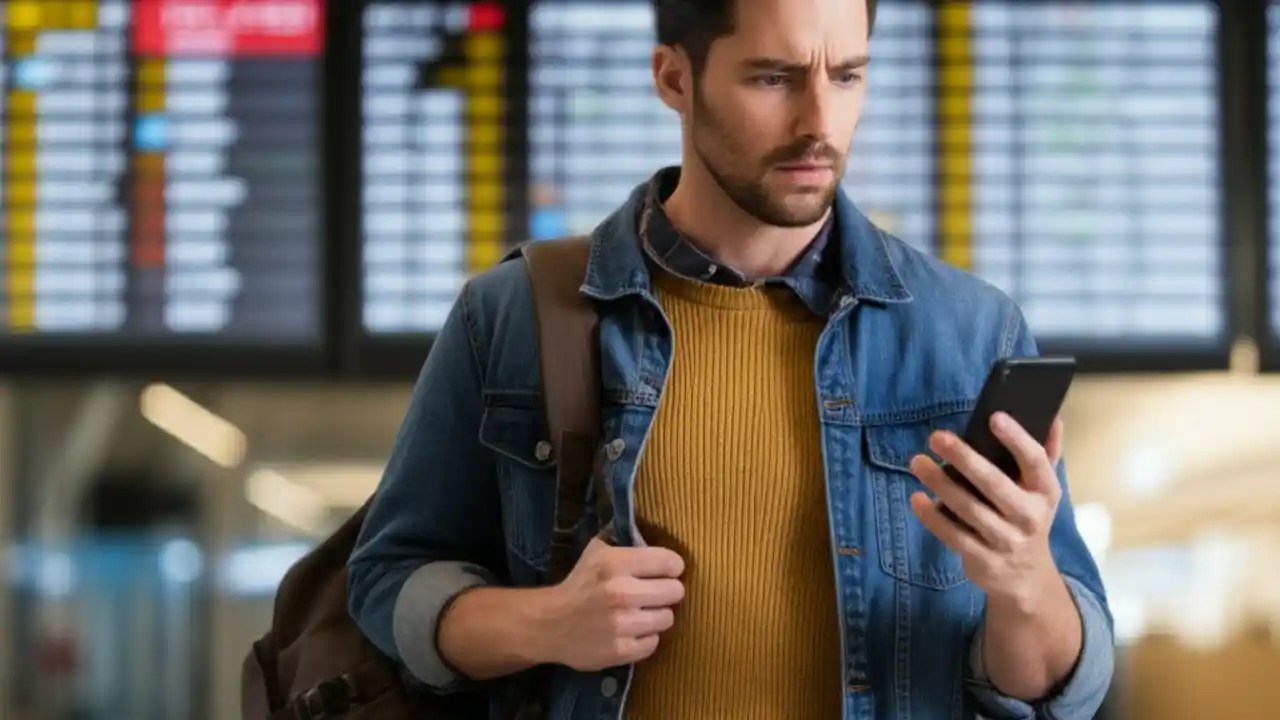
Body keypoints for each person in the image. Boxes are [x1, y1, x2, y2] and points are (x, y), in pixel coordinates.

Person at [347, 0, 1114, 717]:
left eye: (847, 75)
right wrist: (545, 624)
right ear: (674, 78)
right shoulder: (513, 313)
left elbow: (1062, 687)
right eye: (773, 77)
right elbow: (390, 579)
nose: (821, 122)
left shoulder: (973, 334)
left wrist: (1024, 584)